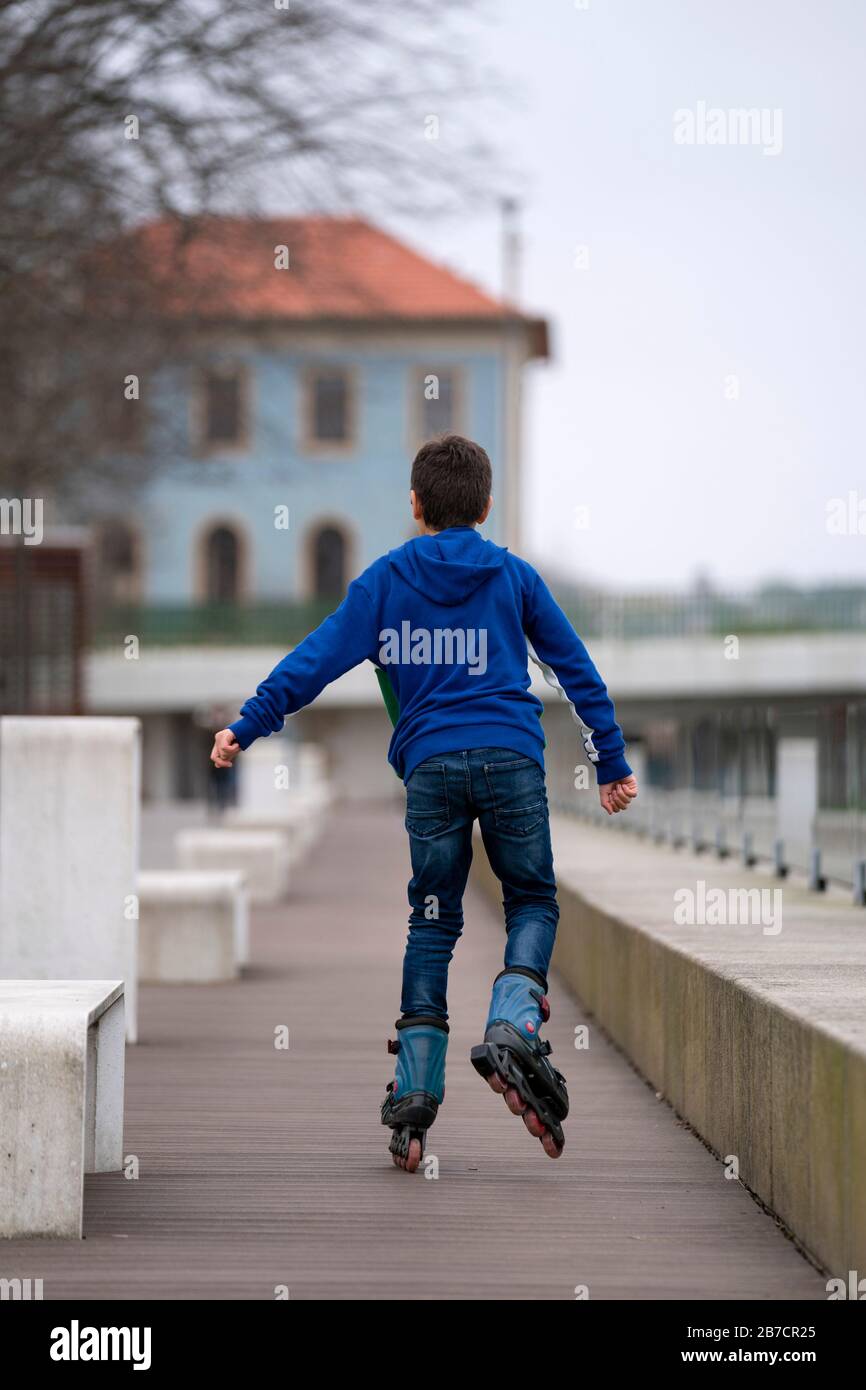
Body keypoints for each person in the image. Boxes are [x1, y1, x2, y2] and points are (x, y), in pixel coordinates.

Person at [211, 434, 637, 1172]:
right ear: (487, 505)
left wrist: (247, 725)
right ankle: (511, 1022)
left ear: (416, 506)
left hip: (433, 769)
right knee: (531, 899)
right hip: (510, 759)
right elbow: (576, 669)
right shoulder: (514, 577)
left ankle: (415, 1092)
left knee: (432, 920)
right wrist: (611, 761)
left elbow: (313, 661)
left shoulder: (384, 582)